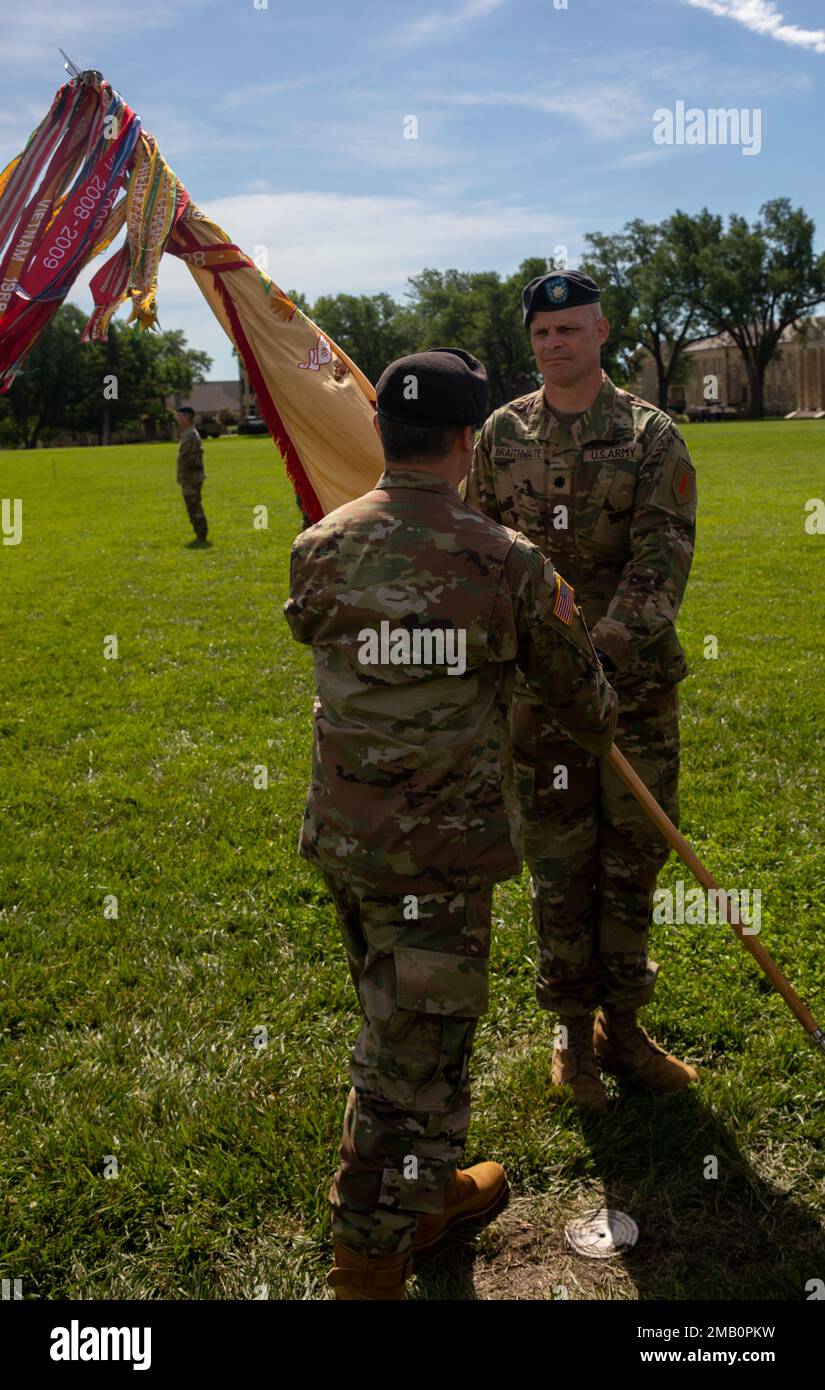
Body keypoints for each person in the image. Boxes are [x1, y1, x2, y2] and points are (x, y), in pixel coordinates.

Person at [284, 347, 618, 1300]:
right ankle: (368, 1257)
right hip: (435, 853)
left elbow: (313, 627)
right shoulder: (506, 562)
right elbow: (578, 696)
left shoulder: (319, 545)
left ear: (385, 432)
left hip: (347, 839)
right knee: (406, 1054)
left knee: (409, 1022)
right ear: (469, 443)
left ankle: (426, 1198)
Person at [465, 269, 699, 1114]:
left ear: (601, 334)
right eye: (541, 334)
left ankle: (625, 1028)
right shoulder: (498, 435)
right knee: (560, 861)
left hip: (629, 692)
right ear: (531, 344)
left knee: (632, 856)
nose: (555, 344)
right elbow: (479, 546)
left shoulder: (649, 435)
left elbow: (662, 557)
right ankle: (570, 1034)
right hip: (537, 701)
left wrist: (594, 655)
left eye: (570, 329)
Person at [175, 406, 208, 545]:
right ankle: (200, 534)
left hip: (191, 477)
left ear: (187, 417)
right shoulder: (187, 433)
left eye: (179, 416)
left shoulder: (190, 435)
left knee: (194, 506)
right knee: (193, 505)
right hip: (189, 476)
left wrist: (184, 475)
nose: (177, 419)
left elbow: (188, 459)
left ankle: (201, 535)